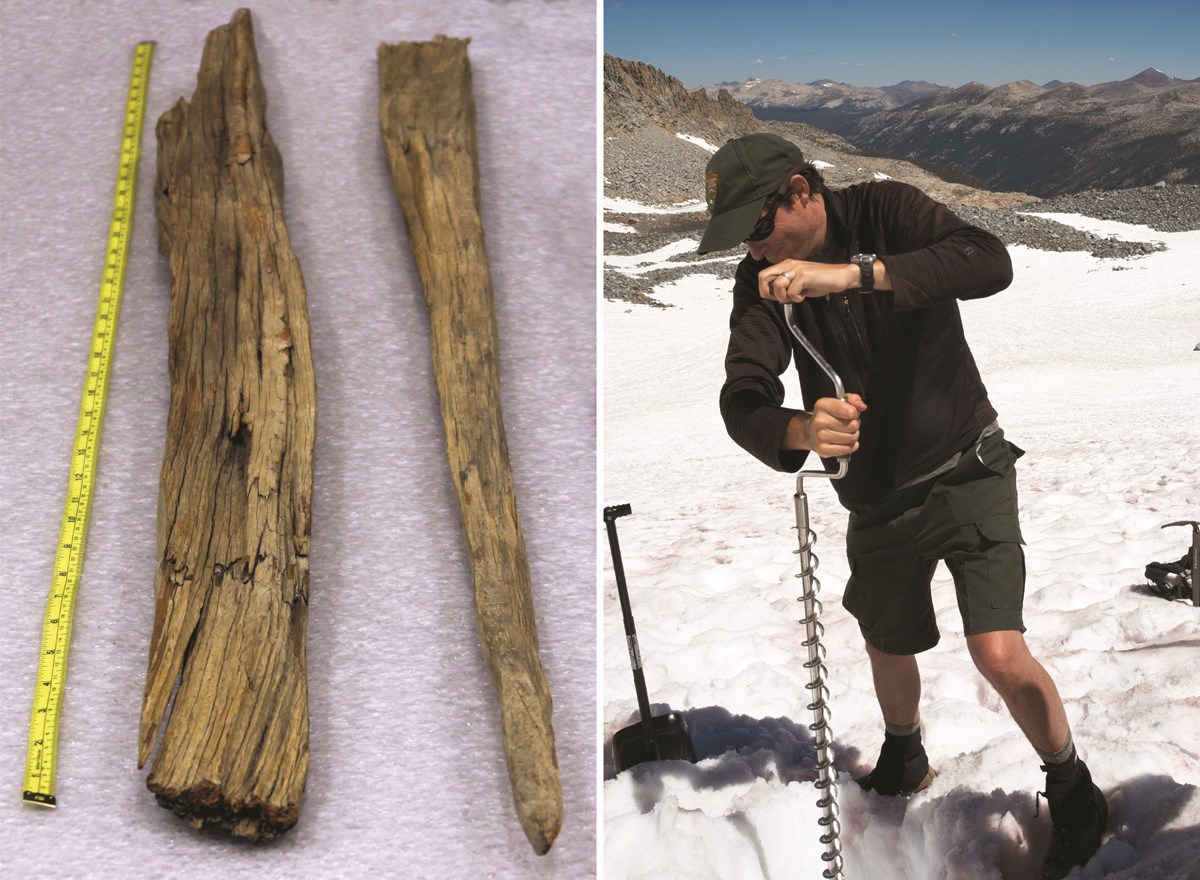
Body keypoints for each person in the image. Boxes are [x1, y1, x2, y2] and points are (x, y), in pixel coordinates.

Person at [697, 132, 1107, 880]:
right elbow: (742, 392)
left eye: (757, 227)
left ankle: (1073, 785)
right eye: (741, 239)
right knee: (887, 637)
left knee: (997, 650)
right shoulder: (759, 281)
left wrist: (852, 275)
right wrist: (798, 429)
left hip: (966, 466)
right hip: (875, 495)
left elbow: (987, 260)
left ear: (800, 191)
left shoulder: (884, 211)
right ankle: (905, 752)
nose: (753, 251)